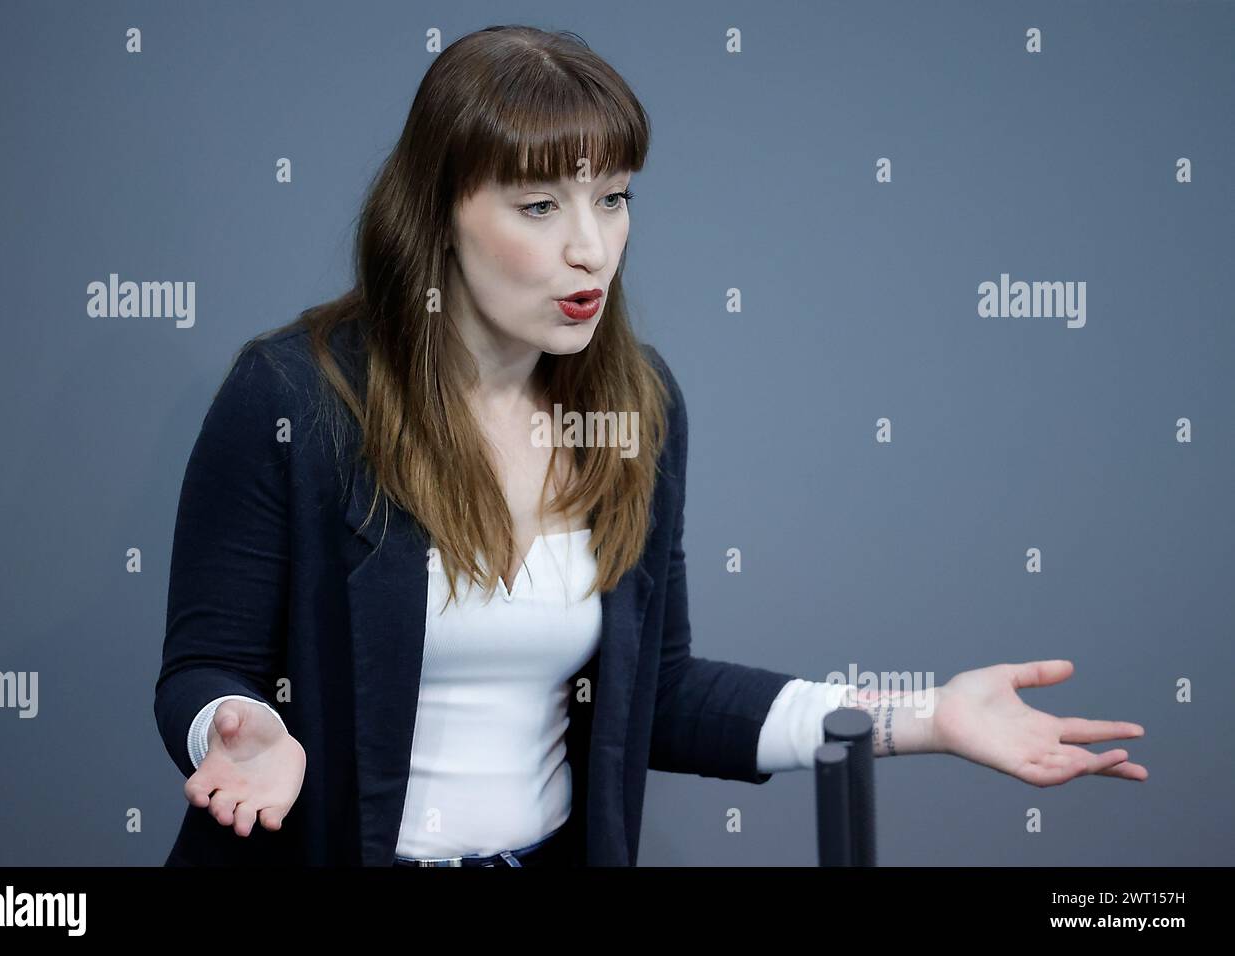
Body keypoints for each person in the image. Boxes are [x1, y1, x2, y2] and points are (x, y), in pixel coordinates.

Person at [154, 24, 1147, 868]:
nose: (591, 245)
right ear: (439, 215)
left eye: (614, 196)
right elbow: (203, 668)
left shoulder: (638, 404)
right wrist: (236, 725)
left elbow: (658, 694)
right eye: (540, 206)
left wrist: (924, 715)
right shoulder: (294, 396)